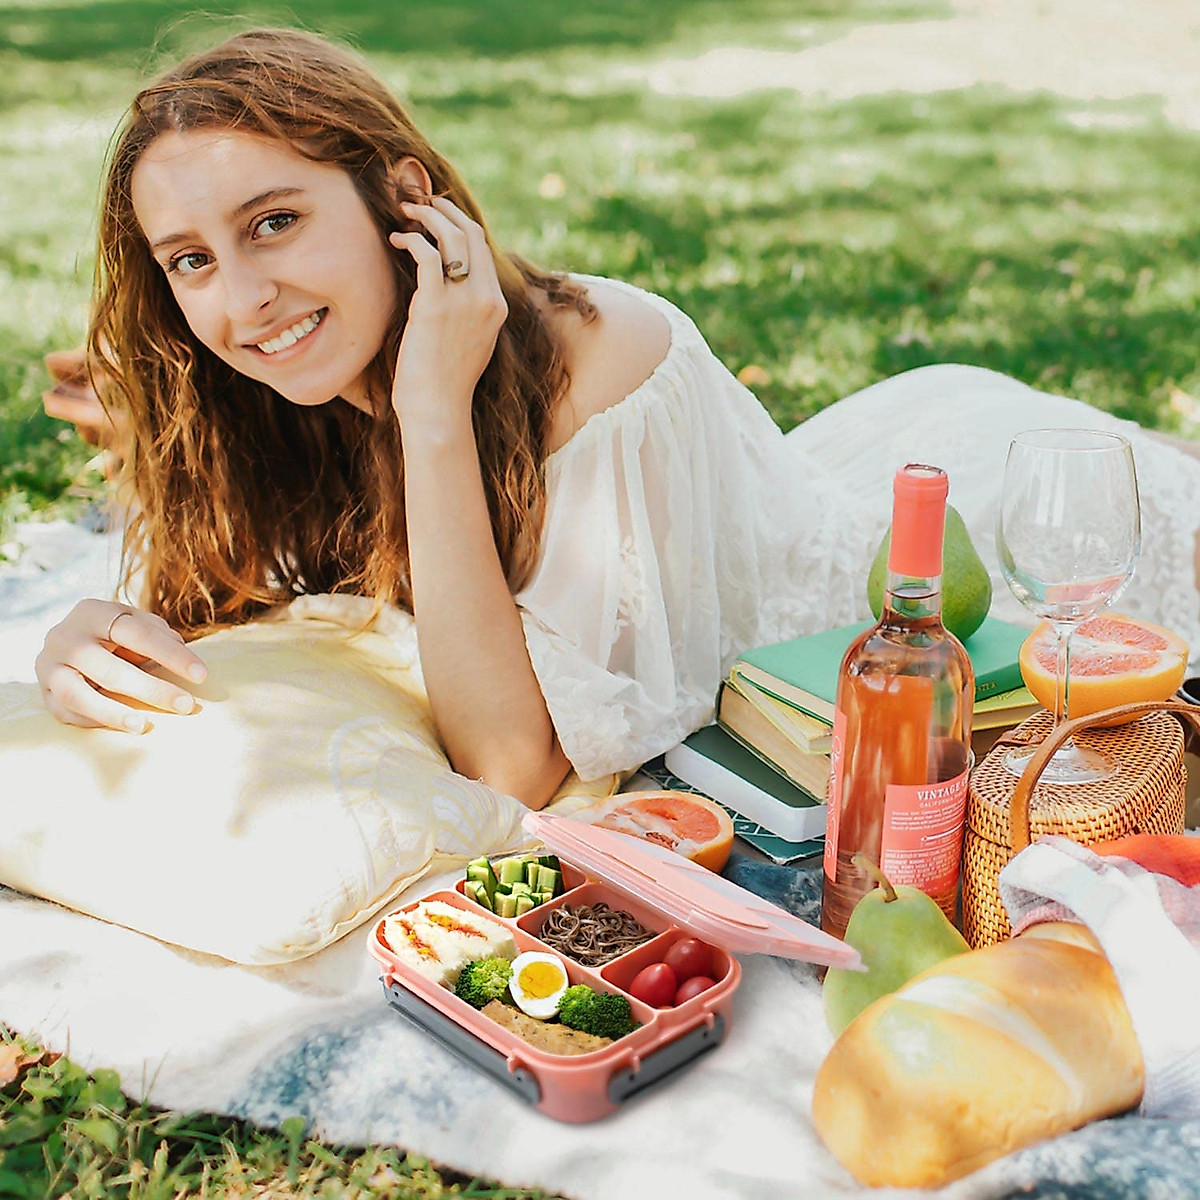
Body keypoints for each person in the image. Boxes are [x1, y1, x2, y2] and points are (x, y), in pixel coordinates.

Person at [34, 28, 1200, 811]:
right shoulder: (258, 388)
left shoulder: (599, 364)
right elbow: (235, 605)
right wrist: (83, 634)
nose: (241, 299)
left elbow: (512, 766)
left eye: (275, 222)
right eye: (191, 259)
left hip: (984, 543)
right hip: (868, 452)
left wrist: (430, 411)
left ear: (403, 198)